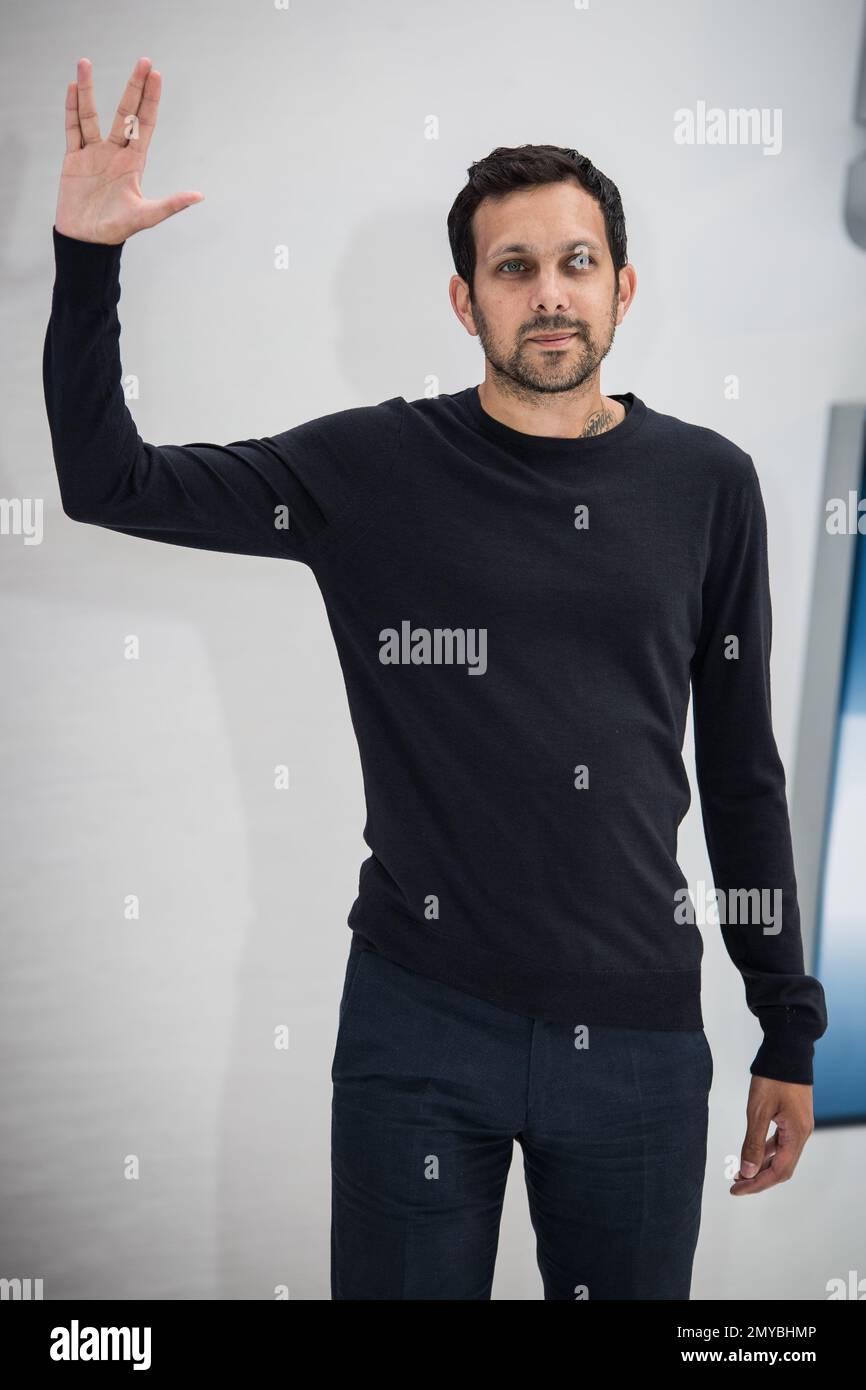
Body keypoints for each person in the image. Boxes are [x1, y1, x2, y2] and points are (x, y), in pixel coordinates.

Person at [44, 56, 828, 1301]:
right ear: (465, 302)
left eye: (576, 263)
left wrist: (785, 1024)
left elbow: (739, 774)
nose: (549, 294)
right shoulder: (373, 469)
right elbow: (110, 482)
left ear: (622, 288)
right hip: (420, 1023)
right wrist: (87, 259)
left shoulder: (708, 484)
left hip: (634, 1036)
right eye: (512, 268)